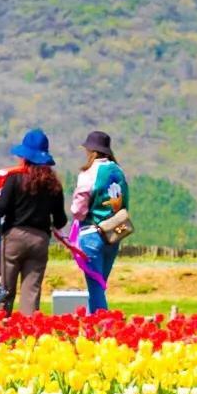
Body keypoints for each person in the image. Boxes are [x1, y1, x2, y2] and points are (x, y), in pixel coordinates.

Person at [0, 129, 67, 316]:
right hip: (39, 241)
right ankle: (29, 333)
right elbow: (60, 220)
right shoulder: (53, 184)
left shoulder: (14, 179)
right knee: (31, 292)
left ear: (24, 156)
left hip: (13, 238)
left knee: (4, 287)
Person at [67, 130, 130, 315]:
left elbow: (78, 209)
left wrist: (76, 214)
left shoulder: (89, 173)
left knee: (95, 285)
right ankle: (92, 321)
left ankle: (102, 325)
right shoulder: (119, 171)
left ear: (91, 151)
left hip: (92, 234)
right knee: (100, 285)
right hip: (115, 233)